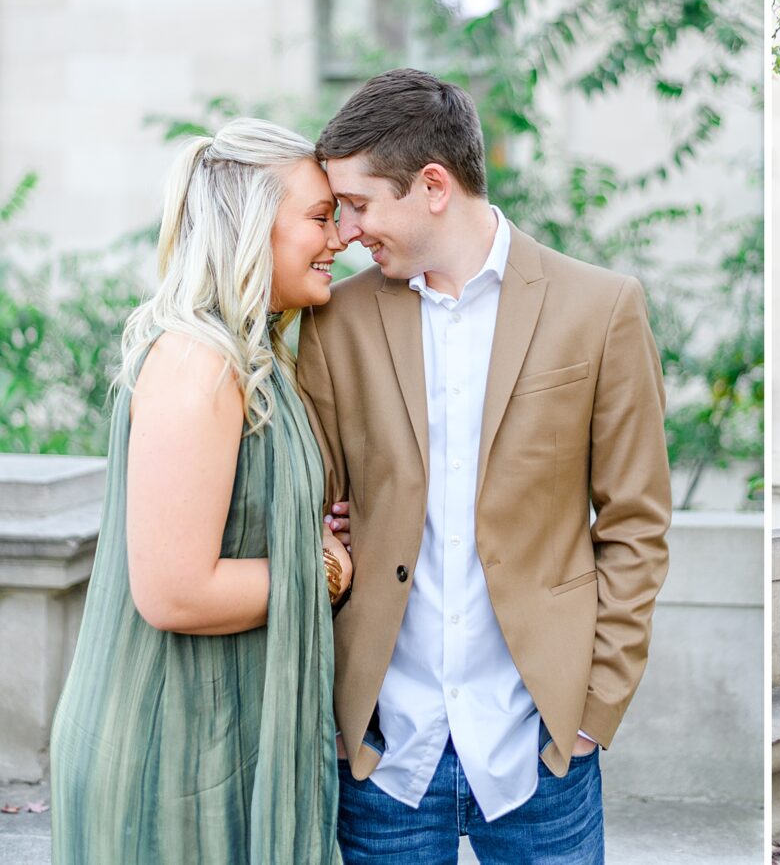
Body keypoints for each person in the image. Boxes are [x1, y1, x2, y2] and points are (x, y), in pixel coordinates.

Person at [296, 69, 671, 865]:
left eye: (359, 204)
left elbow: (637, 522)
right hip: (385, 752)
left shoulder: (601, 308)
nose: (346, 231)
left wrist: (592, 709)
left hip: (539, 749)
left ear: (432, 185)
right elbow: (314, 505)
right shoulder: (339, 325)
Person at [50, 119, 353, 863]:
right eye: (318, 218)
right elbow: (176, 593)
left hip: (217, 738)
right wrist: (332, 569)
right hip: (170, 754)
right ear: (251, 228)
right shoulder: (199, 363)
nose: (339, 239)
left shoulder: (253, 356)